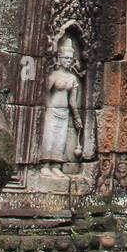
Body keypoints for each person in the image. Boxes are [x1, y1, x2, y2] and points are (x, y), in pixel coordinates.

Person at [39, 34, 84, 177]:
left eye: (70, 59)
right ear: (59, 57)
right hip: (51, 111)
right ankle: (45, 164)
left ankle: (56, 166)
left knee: (60, 139)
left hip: (64, 112)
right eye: (66, 58)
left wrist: (77, 117)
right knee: (49, 137)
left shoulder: (72, 78)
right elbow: (45, 94)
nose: (68, 61)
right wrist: (46, 109)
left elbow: (72, 101)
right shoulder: (53, 76)